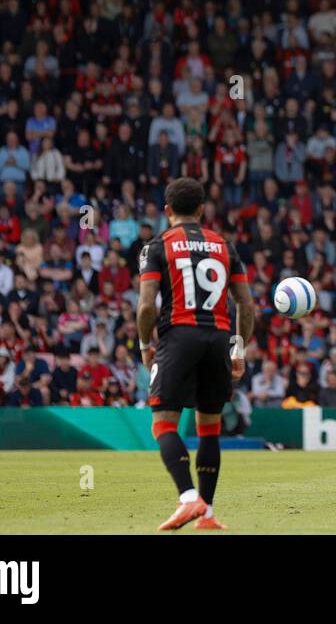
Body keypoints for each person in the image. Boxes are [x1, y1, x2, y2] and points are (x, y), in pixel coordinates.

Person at [138, 177, 255, 531]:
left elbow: (146, 306)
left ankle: (188, 498)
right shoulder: (224, 245)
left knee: (163, 423)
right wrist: (238, 348)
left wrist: (145, 344)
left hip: (179, 336)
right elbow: (245, 304)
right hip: (219, 337)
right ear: (202, 210)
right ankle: (207, 513)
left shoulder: (157, 246)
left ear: (167, 211)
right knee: (209, 428)